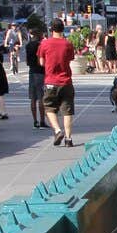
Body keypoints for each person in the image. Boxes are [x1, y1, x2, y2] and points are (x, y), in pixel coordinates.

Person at [37, 17, 76, 147]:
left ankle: (58, 130)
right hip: (66, 81)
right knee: (67, 110)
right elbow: (70, 59)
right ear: (62, 29)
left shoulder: (44, 44)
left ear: (51, 29)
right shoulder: (68, 44)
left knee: (49, 107)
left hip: (50, 81)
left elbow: (41, 63)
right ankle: (69, 139)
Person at [24, 24, 46, 128]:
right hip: (40, 72)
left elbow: (27, 62)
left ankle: (35, 122)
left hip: (31, 71)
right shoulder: (41, 45)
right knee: (41, 97)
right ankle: (42, 121)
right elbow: (42, 60)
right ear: (39, 35)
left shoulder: (28, 45)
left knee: (33, 98)